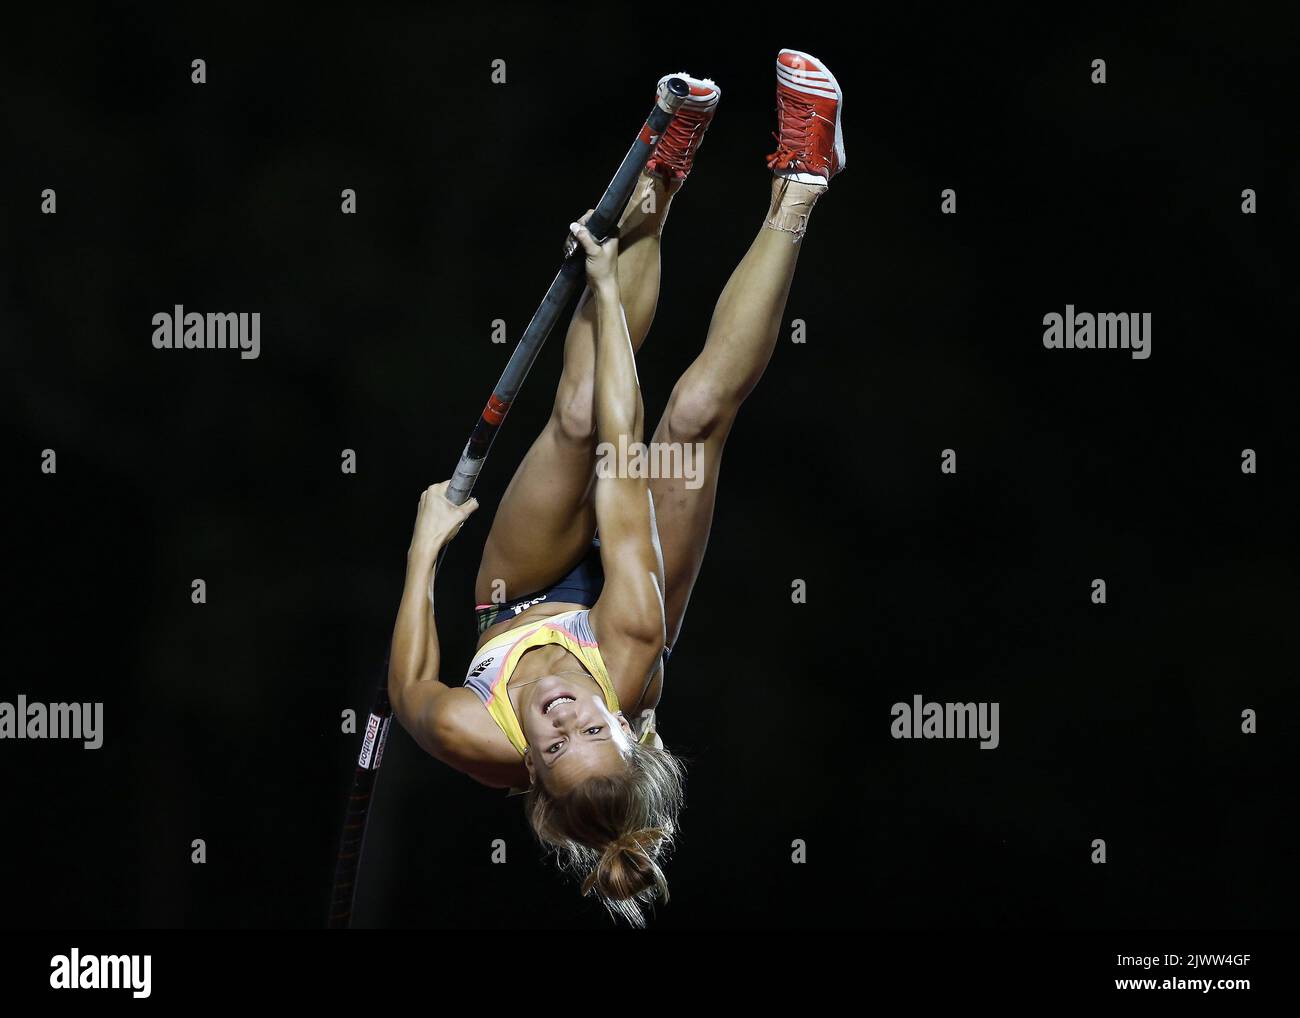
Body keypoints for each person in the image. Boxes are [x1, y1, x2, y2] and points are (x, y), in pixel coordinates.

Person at [389, 49, 845, 925]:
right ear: (627, 731)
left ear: (531, 772)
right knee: (694, 416)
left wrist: (422, 552)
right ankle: (803, 182)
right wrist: (597, 295)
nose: (564, 716)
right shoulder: (629, 660)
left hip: (514, 599)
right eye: (591, 731)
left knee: (571, 414)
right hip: (623, 600)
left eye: (555, 744)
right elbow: (625, 463)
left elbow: (411, 687)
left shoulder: (475, 737)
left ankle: (659, 181)